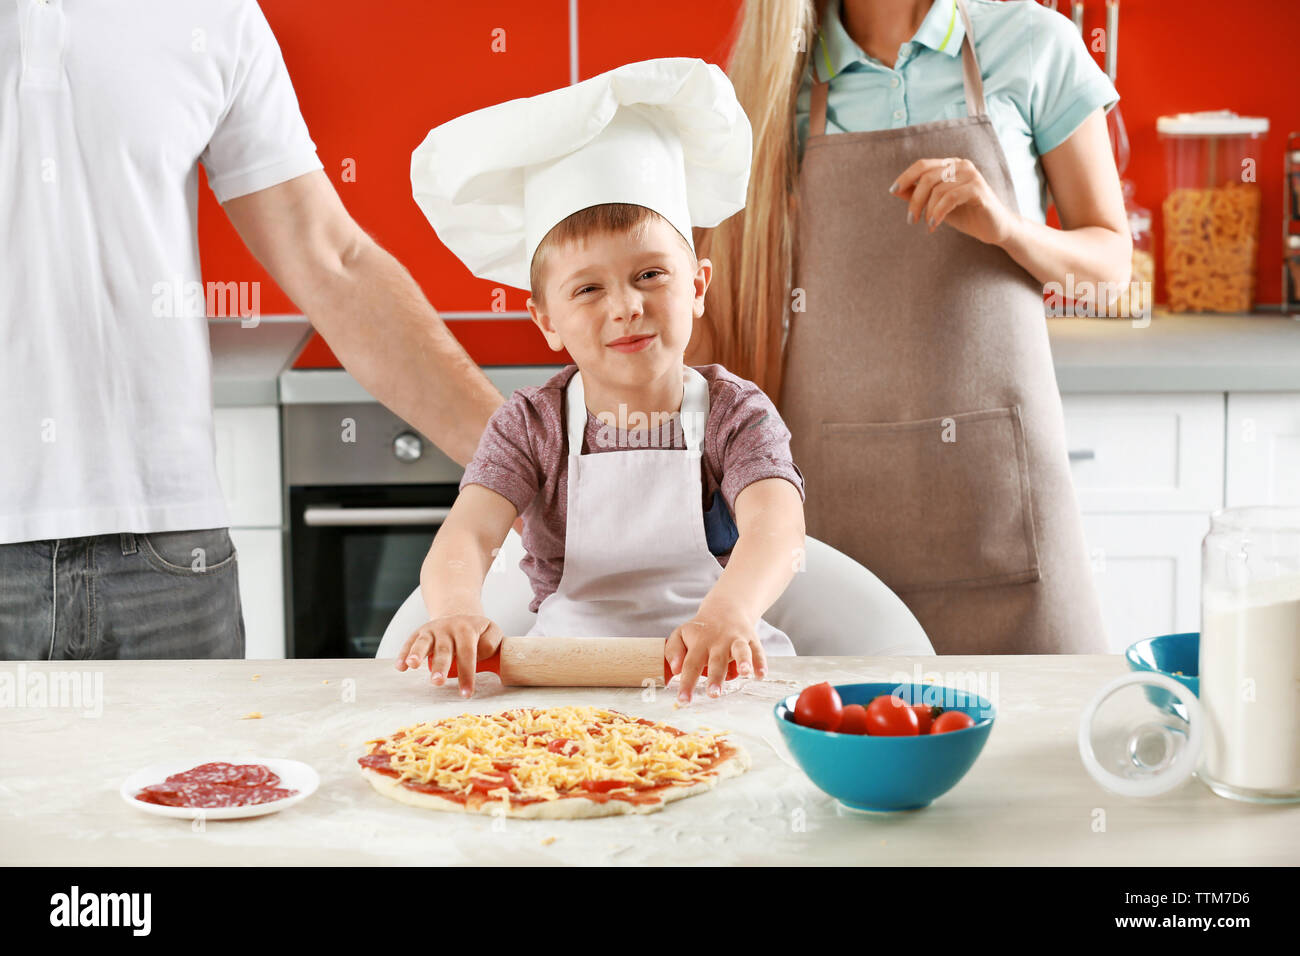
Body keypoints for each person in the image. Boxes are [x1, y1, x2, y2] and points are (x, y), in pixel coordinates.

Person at [0, 0, 504, 659]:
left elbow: (334, 262)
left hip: (171, 552)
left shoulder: (211, 13)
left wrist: (530, 467)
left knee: (200, 768)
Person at [691, 0, 1129, 653]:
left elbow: (1110, 274)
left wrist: (1006, 228)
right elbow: (717, 304)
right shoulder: (774, 76)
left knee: (1041, 742)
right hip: (833, 504)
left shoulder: (1034, 43)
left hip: (996, 494)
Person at [396, 58, 807, 702]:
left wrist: (729, 611)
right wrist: (453, 609)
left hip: (715, 673)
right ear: (547, 321)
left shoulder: (735, 413)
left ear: (697, 286)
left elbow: (775, 526)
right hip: (565, 677)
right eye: (587, 288)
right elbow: (469, 532)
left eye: (651, 275)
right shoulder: (531, 425)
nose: (625, 307)